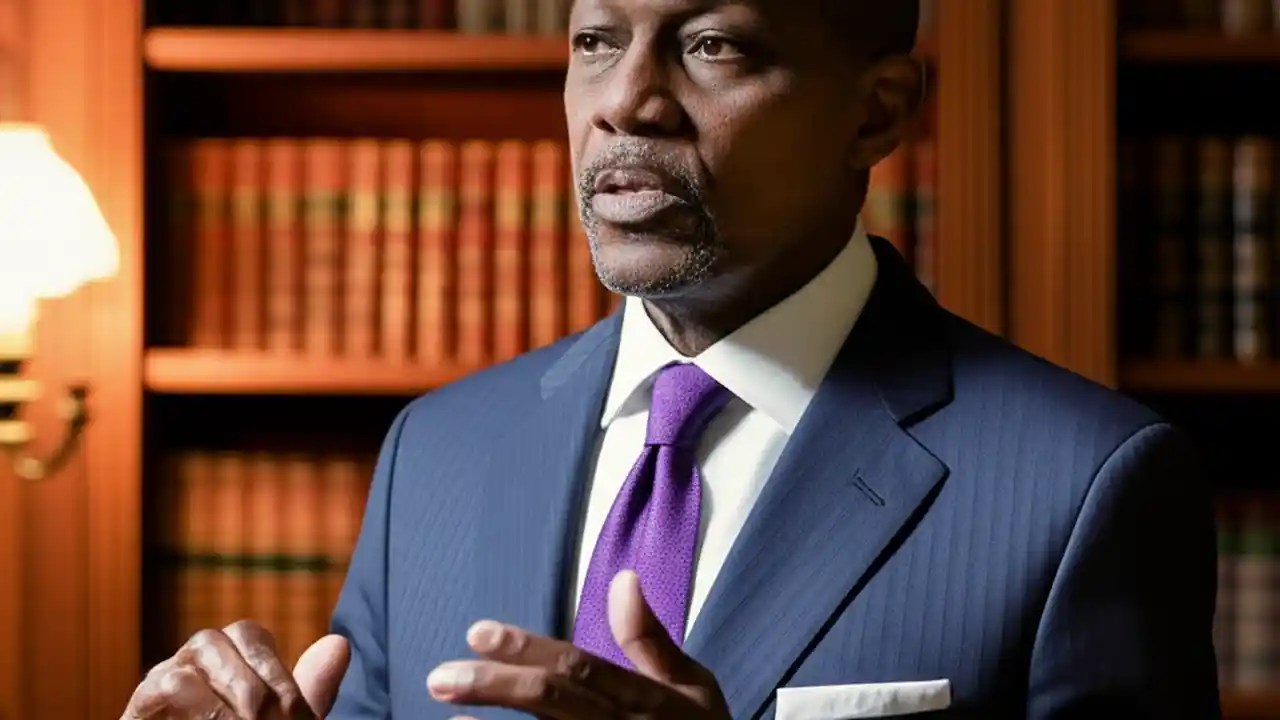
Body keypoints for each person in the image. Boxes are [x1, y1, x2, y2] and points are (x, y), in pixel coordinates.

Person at [121, 0, 1221, 717]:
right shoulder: (438, 451)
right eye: (595, 41)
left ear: (876, 111)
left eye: (711, 46)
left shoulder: (1086, 485)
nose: (625, 105)